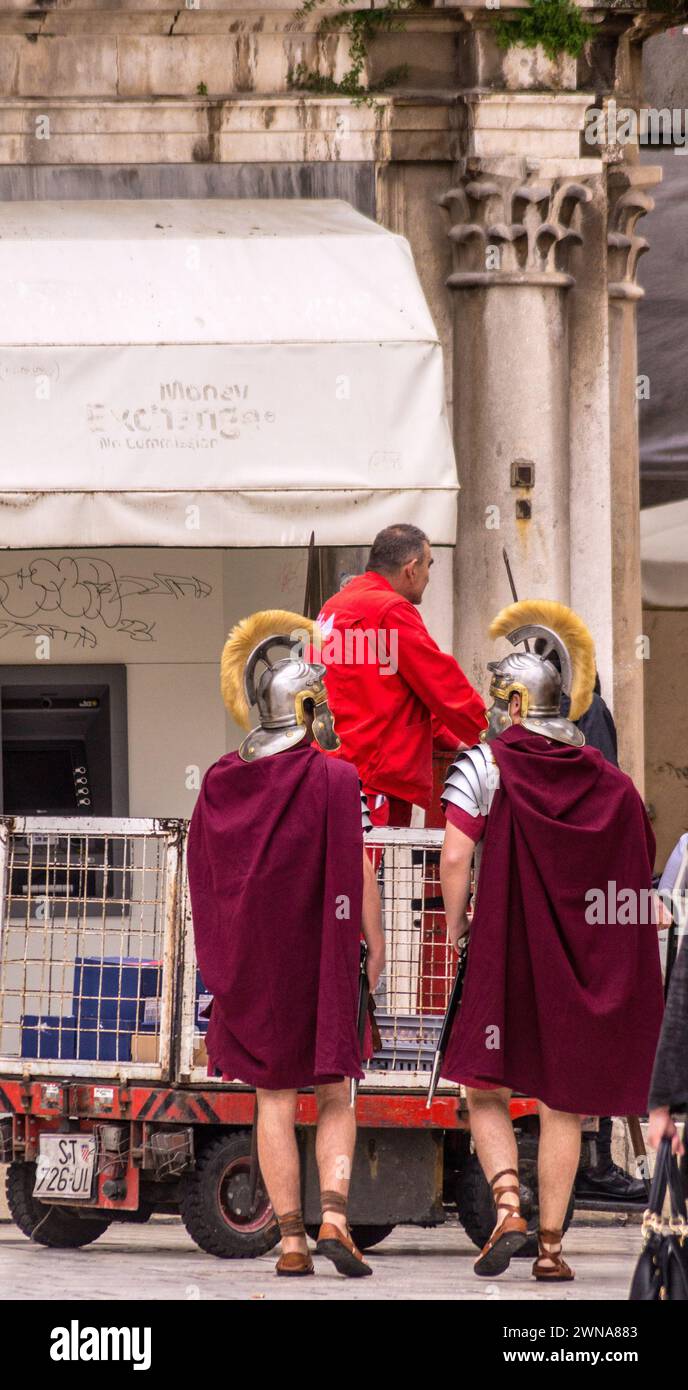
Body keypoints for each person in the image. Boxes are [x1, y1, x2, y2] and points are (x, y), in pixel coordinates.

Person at [438, 599, 664, 1283]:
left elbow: (453, 856)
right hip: (576, 971)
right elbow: (629, 893)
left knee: (483, 1088)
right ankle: (550, 1249)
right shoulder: (614, 785)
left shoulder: (485, 763)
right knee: (563, 1103)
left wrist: (455, 925)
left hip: (505, 956)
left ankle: (507, 1199)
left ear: (512, 700)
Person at [187, 609, 385, 1279]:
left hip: (256, 964)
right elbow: (358, 867)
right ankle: (335, 1218)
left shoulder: (218, 781)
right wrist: (375, 938)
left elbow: (208, 872)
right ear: (304, 706)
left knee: (272, 1097)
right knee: (335, 1092)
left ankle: (293, 1242)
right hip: (326, 957)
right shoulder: (339, 778)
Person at [316, 523, 486, 827]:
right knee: (365, 873)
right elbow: (442, 685)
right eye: (429, 565)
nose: (428, 577)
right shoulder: (389, 609)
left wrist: (452, 739)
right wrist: (495, 737)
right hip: (370, 772)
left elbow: (397, 690)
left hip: (334, 767)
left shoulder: (335, 605)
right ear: (412, 568)